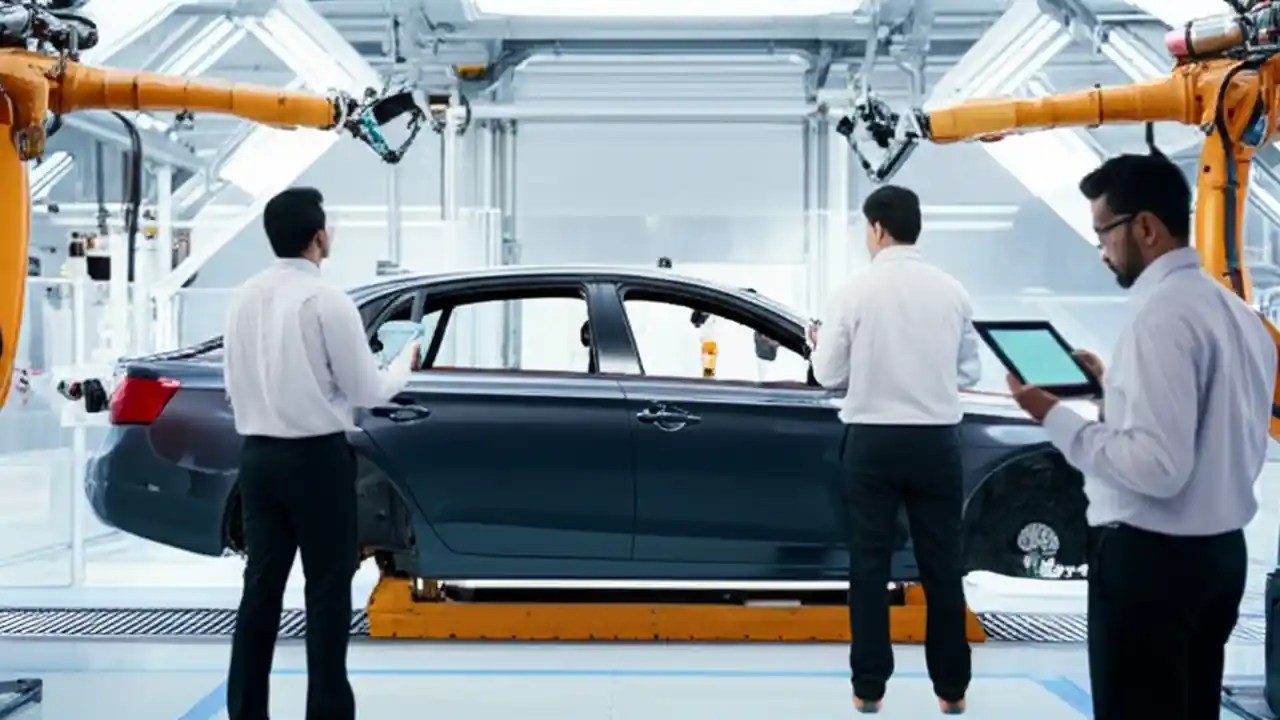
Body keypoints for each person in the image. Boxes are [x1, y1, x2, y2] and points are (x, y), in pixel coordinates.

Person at [1006, 153, 1277, 720]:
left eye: (1103, 231)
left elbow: (1158, 468)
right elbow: (1208, 428)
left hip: (1153, 567)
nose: (1101, 250)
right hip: (1220, 557)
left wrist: (1052, 415)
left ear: (1146, 227)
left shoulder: (1160, 316)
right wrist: (1111, 389)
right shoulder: (1236, 313)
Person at [222, 187, 418, 720]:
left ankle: (245, 712)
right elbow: (367, 390)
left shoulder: (244, 296)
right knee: (327, 592)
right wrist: (406, 361)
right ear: (318, 236)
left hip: (258, 460)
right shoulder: (327, 301)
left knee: (259, 591)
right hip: (317, 462)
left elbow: (232, 382)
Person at [810, 184, 981, 715]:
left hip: (873, 443)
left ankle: (869, 689)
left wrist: (825, 348)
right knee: (942, 568)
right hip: (936, 444)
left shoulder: (855, 291)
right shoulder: (953, 291)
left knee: (868, 566)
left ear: (879, 229)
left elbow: (827, 373)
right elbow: (970, 371)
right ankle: (951, 690)